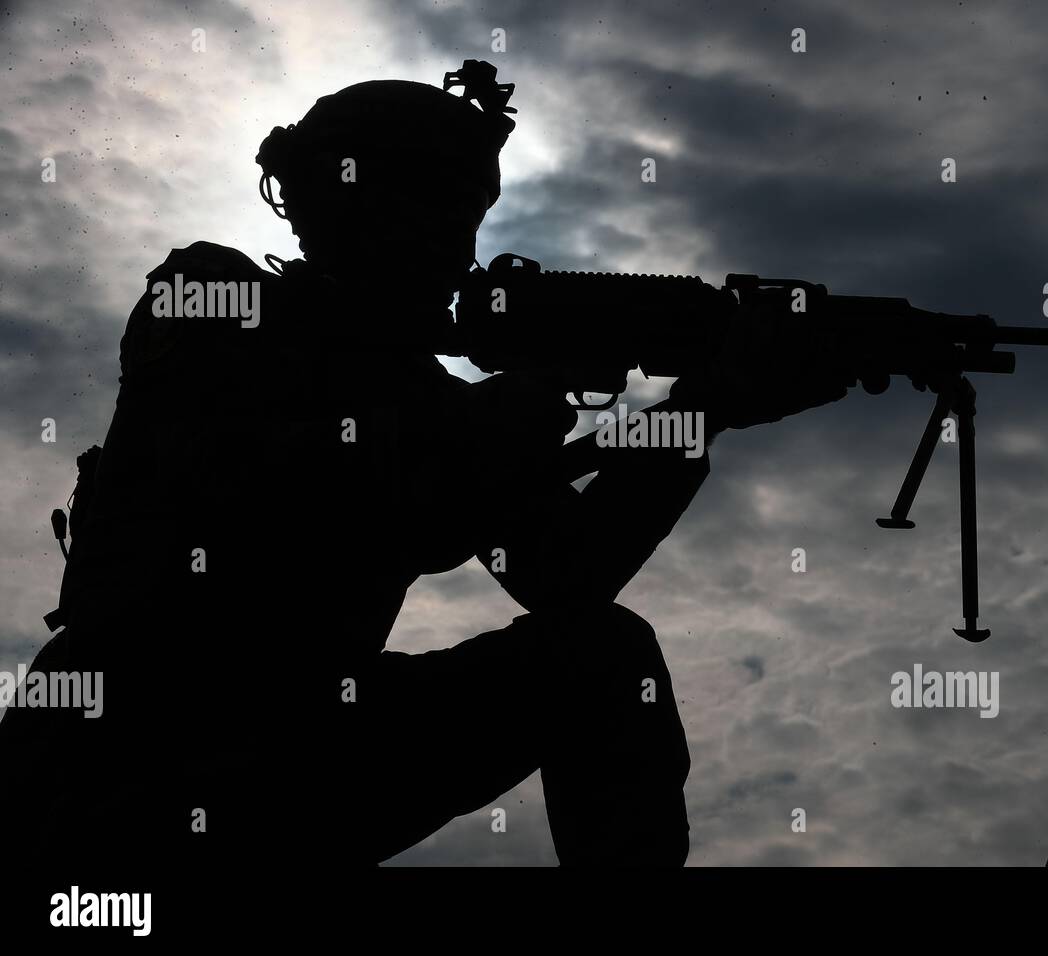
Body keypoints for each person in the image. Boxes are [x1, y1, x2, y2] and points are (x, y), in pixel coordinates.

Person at [0, 60, 855, 867]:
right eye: (436, 204)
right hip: (120, 757)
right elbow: (292, 480)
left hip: (296, 740)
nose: (458, 242)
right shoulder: (210, 297)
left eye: (470, 211)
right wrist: (532, 399)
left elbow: (568, 571)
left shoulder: (430, 397)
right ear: (345, 200)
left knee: (603, 657)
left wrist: (704, 412)